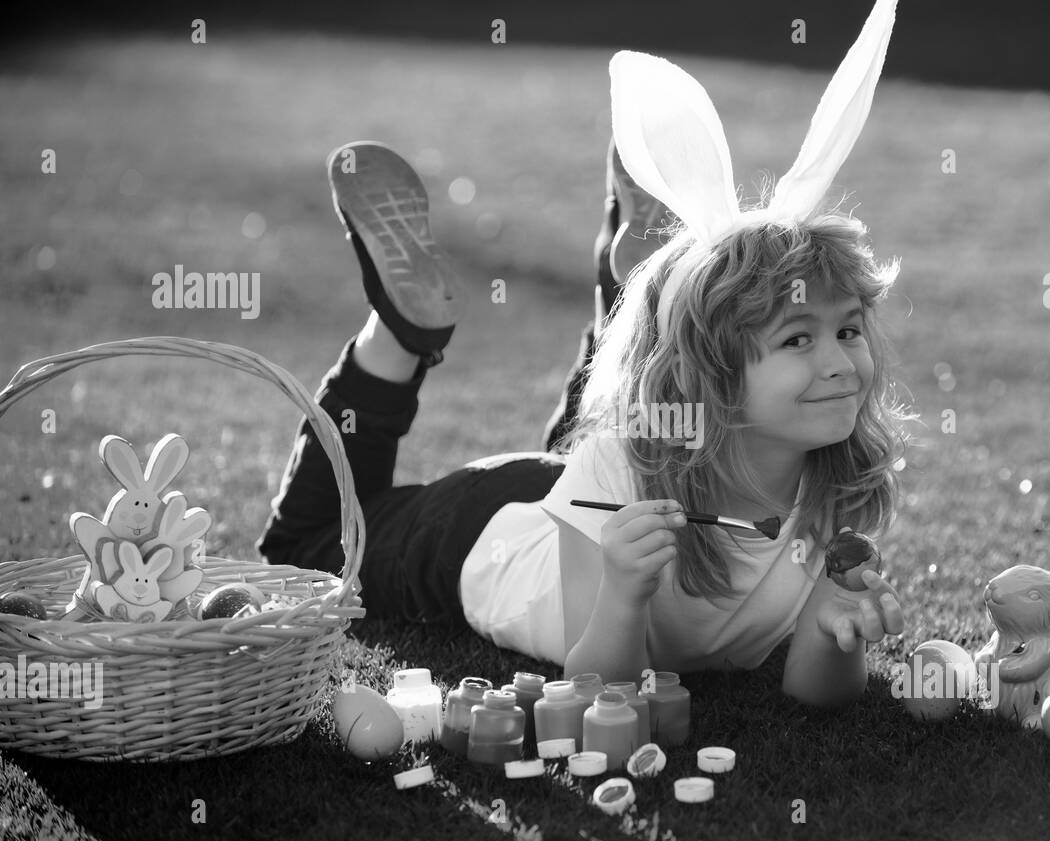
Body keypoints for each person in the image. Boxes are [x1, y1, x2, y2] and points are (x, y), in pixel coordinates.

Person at [259, 2, 913, 705]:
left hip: (604, 476)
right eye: (797, 338)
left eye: (848, 329)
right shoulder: (623, 467)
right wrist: (624, 597)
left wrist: (835, 632)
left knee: (625, 435)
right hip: (484, 533)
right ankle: (400, 334)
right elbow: (598, 686)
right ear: (716, 371)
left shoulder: (833, 471)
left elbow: (814, 695)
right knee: (308, 550)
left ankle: (632, 285)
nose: (841, 362)